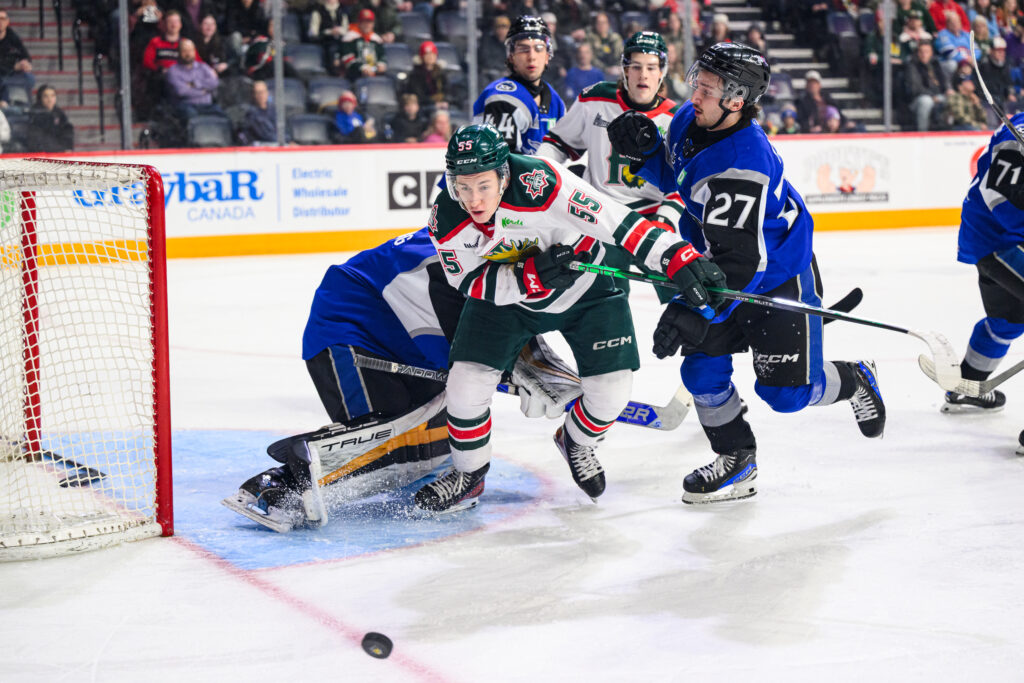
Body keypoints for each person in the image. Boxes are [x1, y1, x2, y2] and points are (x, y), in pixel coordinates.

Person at [606, 42, 886, 504]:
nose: (695, 93)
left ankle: (855, 378)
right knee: (702, 372)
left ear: (737, 100)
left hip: (774, 273)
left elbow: (743, 264)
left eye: (710, 88)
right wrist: (647, 152)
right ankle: (737, 459)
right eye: (698, 81)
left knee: (787, 395)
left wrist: (693, 309)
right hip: (718, 266)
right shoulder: (691, 120)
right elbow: (681, 180)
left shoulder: (745, 162)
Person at [412, 122, 727, 513]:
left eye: (483, 186)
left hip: (587, 289)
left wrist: (676, 256)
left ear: (503, 175)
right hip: (510, 302)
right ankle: (469, 476)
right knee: (464, 386)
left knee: (612, 393)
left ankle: (577, 440)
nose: (473, 199)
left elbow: (615, 220)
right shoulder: (446, 215)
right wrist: (527, 278)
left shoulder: (541, 183)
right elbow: (469, 280)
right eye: (463, 186)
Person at [540, 32, 686, 234]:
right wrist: (540, 170)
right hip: (596, 212)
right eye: (636, 67)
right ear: (625, 70)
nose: (643, 74)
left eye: (651, 67)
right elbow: (558, 143)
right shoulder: (595, 98)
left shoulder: (676, 119)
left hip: (647, 218)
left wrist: (664, 222)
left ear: (662, 72)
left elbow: (681, 186)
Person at [941, 112, 1024, 416]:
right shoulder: (1018, 134)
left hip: (994, 236)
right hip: (1001, 240)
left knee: (1008, 322)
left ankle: (966, 386)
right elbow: (999, 192)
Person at [472, 15, 566, 155]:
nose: (532, 56)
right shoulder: (502, 97)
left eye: (539, 48)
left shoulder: (555, 100)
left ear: (547, 56)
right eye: (523, 49)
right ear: (511, 56)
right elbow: (501, 165)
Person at [165, 38, 222, 121]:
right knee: (194, 120)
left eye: (190, 50)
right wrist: (204, 91)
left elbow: (215, 83)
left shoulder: (203, 67)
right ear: (178, 52)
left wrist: (194, 84)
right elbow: (181, 92)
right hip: (186, 107)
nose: (188, 54)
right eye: (184, 51)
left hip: (207, 106)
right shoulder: (172, 71)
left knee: (224, 117)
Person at [906, 40, 951, 131]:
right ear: (917, 53)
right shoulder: (912, 65)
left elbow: (944, 80)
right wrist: (932, 96)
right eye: (921, 52)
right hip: (917, 99)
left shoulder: (935, 64)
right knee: (926, 101)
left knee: (953, 99)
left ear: (931, 53)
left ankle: (952, 131)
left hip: (938, 96)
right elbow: (916, 88)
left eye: (926, 52)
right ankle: (923, 132)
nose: (924, 54)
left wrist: (948, 90)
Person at [335, 7, 387, 81]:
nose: (367, 25)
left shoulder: (376, 39)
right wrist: (362, 67)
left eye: (369, 22)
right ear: (359, 22)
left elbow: (382, 56)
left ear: (373, 24)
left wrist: (381, 64)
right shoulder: (350, 38)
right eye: (364, 22)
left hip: (375, 73)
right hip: (355, 75)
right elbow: (347, 58)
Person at [26, 84, 73, 152]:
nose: (50, 100)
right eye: (46, 96)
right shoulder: (34, 114)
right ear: (40, 98)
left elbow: (67, 132)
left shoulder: (59, 113)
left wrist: (68, 148)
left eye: (53, 96)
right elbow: (37, 140)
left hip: (59, 152)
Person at [404, 40, 449, 107]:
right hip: (424, 106)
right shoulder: (415, 74)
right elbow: (418, 95)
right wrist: (433, 103)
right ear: (422, 57)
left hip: (441, 104)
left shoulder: (441, 73)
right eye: (427, 54)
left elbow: (447, 91)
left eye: (432, 54)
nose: (430, 57)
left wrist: (445, 101)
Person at [0, 8, 34, 93]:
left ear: (8, 22)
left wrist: (25, 63)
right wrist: (13, 67)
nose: (0, 22)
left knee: (29, 78)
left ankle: (23, 105)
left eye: (3, 19)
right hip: (4, 73)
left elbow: (25, 55)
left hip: (10, 74)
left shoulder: (12, 36)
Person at [237, 79, 276, 145]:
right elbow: (265, 135)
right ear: (253, 95)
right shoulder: (251, 113)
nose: (261, 95)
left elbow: (282, 130)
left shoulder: (274, 110)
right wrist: (284, 141)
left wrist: (288, 140)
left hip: (277, 144)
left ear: (267, 93)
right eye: (257, 92)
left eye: (263, 92)